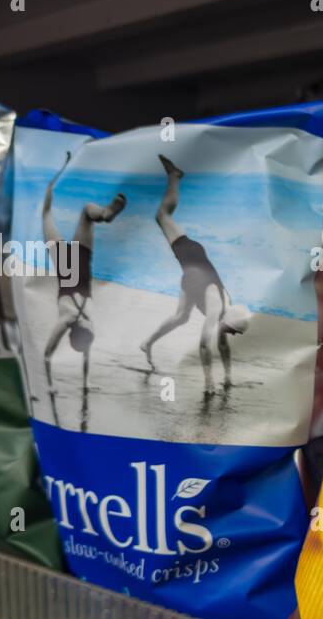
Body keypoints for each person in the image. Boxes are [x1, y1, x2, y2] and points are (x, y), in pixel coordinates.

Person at [140, 154, 244, 397]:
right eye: (233, 331)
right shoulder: (218, 309)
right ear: (228, 322)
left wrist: (228, 378)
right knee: (162, 217)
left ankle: (147, 343)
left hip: (193, 279)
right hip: (192, 258)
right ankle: (174, 177)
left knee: (180, 317)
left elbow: (222, 346)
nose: (231, 335)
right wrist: (209, 383)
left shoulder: (225, 315)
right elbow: (204, 345)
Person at [41, 153, 126, 429]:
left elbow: (81, 355)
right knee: (46, 213)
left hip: (80, 260)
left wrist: (86, 384)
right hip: (66, 266)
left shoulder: (89, 322)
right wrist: (52, 385)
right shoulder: (67, 321)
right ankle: (61, 177)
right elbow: (46, 355)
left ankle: (98, 209)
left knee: (84, 212)